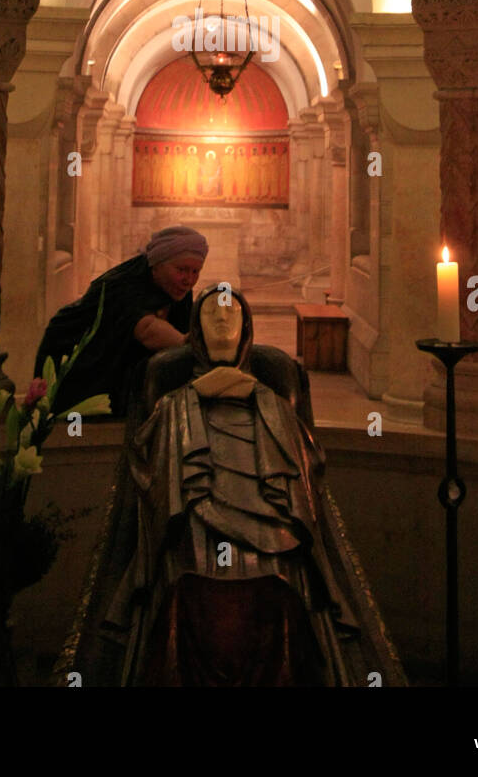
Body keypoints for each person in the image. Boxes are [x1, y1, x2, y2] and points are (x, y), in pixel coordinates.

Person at [101, 286, 366, 685]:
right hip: (195, 533)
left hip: (269, 542)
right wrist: (190, 403)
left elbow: (303, 486)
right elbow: (149, 477)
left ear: (246, 330)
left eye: (231, 313)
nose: (222, 320)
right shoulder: (173, 406)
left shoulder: (275, 404)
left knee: (278, 590)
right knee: (185, 588)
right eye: (211, 314)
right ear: (195, 330)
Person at [33, 225, 208, 416]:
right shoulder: (123, 284)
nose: (189, 279)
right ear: (157, 265)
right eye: (182, 270)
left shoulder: (177, 289)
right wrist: (187, 343)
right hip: (74, 355)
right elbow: (147, 329)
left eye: (195, 272)